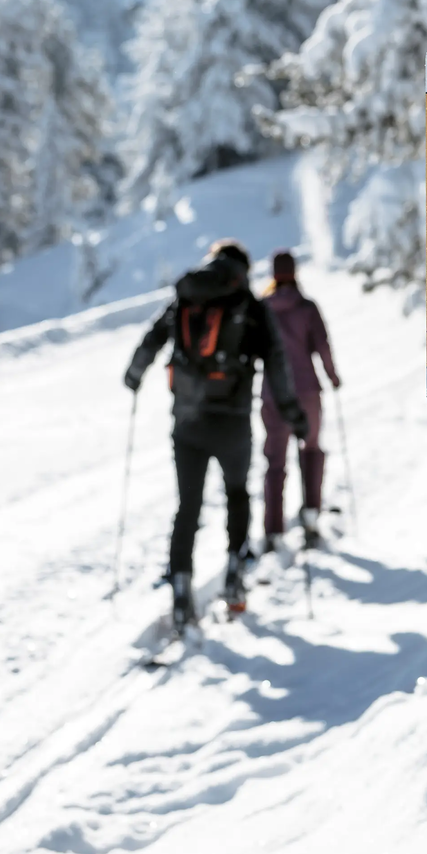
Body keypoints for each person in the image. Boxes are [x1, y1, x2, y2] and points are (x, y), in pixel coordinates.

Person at [123, 239, 308, 631]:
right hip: (232, 420)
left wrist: (134, 374)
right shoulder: (250, 305)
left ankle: (180, 586)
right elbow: (277, 362)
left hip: (187, 421)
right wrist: (293, 412)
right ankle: (234, 574)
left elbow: (154, 337)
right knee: (237, 494)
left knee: (187, 505)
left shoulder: (188, 297)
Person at [260, 249, 340, 552]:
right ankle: (309, 517)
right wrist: (332, 377)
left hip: (272, 395)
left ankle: (273, 531)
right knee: (310, 449)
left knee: (275, 462)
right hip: (306, 390)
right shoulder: (307, 307)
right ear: (295, 272)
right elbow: (322, 346)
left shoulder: (263, 308)